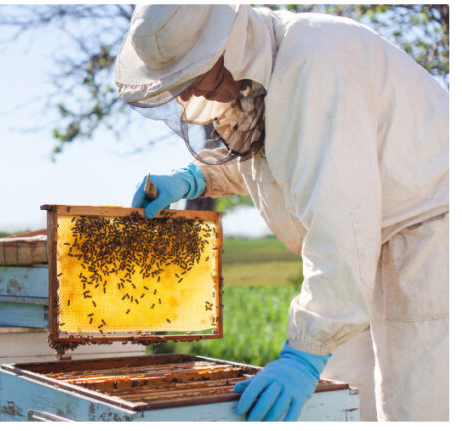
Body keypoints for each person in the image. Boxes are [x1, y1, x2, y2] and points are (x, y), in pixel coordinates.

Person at [115, 4, 448, 421]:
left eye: (191, 76)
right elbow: (279, 158)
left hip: (429, 243)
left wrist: (302, 356)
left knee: (417, 411)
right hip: (368, 249)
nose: (185, 96)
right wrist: (197, 178)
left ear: (224, 49)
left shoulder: (314, 62)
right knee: (345, 403)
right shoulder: (267, 71)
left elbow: (341, 212)